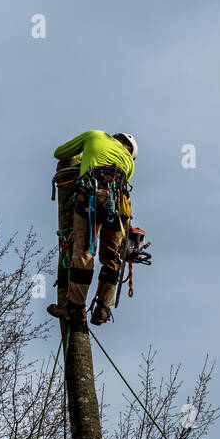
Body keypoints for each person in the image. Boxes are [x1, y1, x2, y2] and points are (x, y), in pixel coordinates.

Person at [46, 130, 137, 325]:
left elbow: (60, 153)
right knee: (111, 258)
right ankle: (103, 309)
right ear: (129, 150)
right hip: (119, 205)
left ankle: (75, 307)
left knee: (84, 252)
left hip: (92, 195)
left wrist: (82, 155)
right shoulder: (129, 164)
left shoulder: (94, 136)